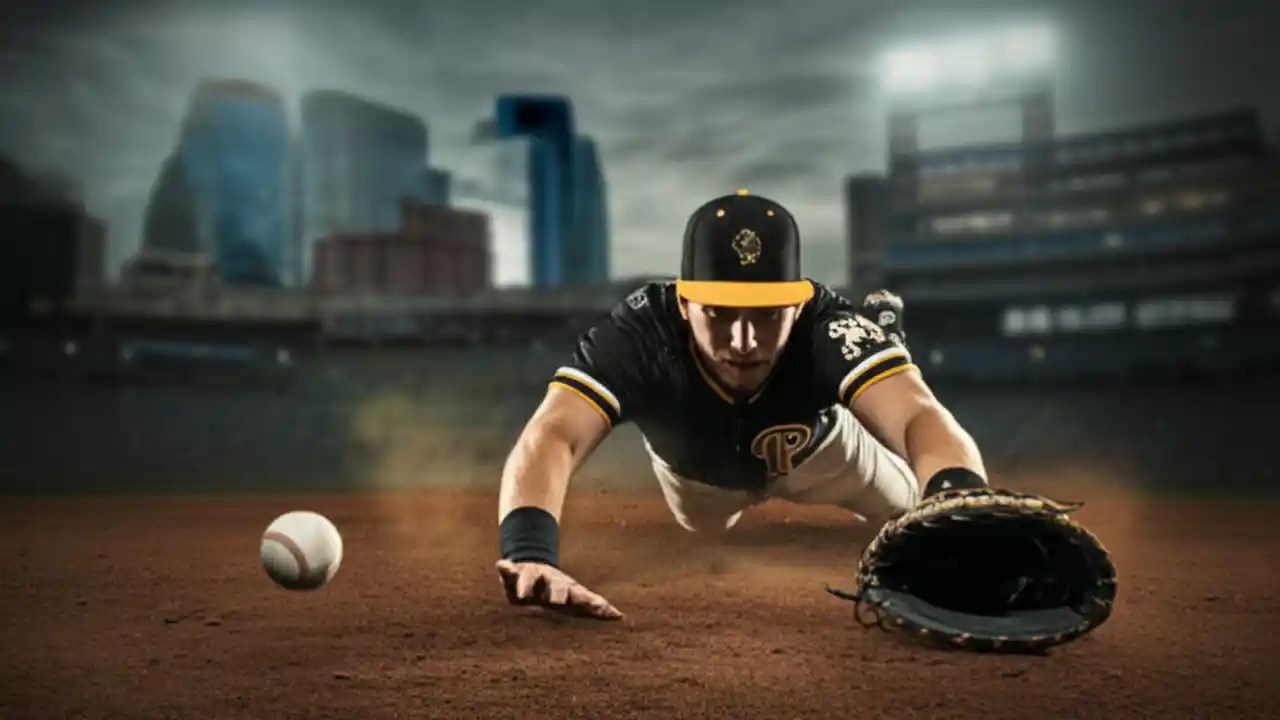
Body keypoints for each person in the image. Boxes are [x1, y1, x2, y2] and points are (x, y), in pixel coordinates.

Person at [495, 190, 989, 620]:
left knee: (905, 505)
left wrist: (958, 498)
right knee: (705, 529)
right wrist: (530, 551)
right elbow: (556, 431)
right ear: (684, 303)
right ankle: (884, 343)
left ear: (798, 305)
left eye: (769, 315)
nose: (744, 341)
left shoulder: (828, 326)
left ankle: (886, 346)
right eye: (719, 313)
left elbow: (919, 414)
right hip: (695, 479)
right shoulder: (640, 334)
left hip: (823, 455)